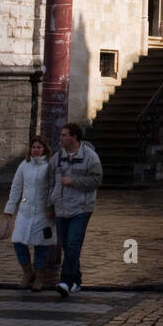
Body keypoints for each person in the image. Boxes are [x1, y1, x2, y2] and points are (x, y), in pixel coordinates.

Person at [48, 123, 103, 298]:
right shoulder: (57, 158)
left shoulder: (90, 157)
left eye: (64, 135)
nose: (61, 138)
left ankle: (65, 281)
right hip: (61, 207)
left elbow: (97, 180)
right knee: (67, 245)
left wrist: (73, 181)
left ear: (74, 137)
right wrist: (50, 205)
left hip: (81, 208)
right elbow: (50, 182)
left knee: (73, 243)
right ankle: (76, 280)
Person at [2, 134, 54, 291]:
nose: (35, 150)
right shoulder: (24, 165)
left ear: (44, 149)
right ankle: (27, 272)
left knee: (41, 245)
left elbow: (53, 187)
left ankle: (39, 276)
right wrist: (9, 209)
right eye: (33, 147)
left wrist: (51, 208)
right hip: (25, 211)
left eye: (39, 147)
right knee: (18, 241)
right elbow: (16, 187)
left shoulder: (49, 166)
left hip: (44, 212)